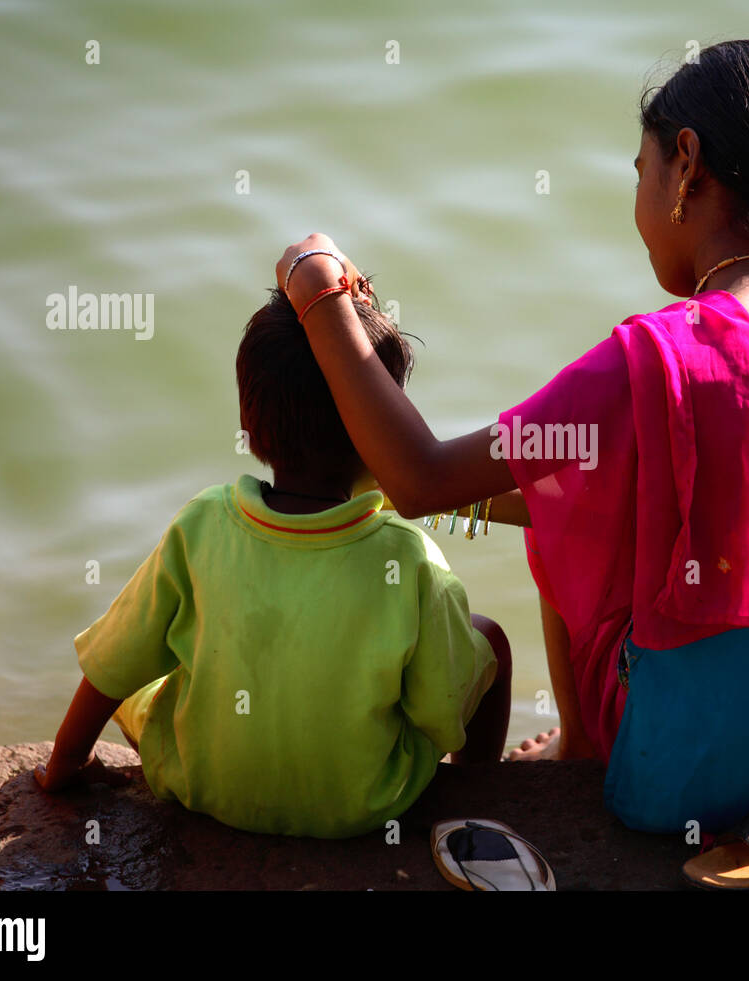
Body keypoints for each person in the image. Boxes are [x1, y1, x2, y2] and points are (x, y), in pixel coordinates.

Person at [276, 39, 749, 834]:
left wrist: (317, 291)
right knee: (589, 489)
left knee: (564, 514)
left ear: (685, 165)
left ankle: (581, 743)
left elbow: (419, 478)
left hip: (692, 775)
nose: (637, 204)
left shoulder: (652, 358)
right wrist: (460, 502)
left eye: (640, 171)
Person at [34, 289, 511, 839]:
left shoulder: (202, 523)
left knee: (148, 683)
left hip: (201, 785)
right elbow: (437, 712)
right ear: (383, 428)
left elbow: (112, 663)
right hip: (365, 804)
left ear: (247, 415)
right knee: (487, 638)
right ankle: (479, 794)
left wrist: (65, 765)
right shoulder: (407, 556)